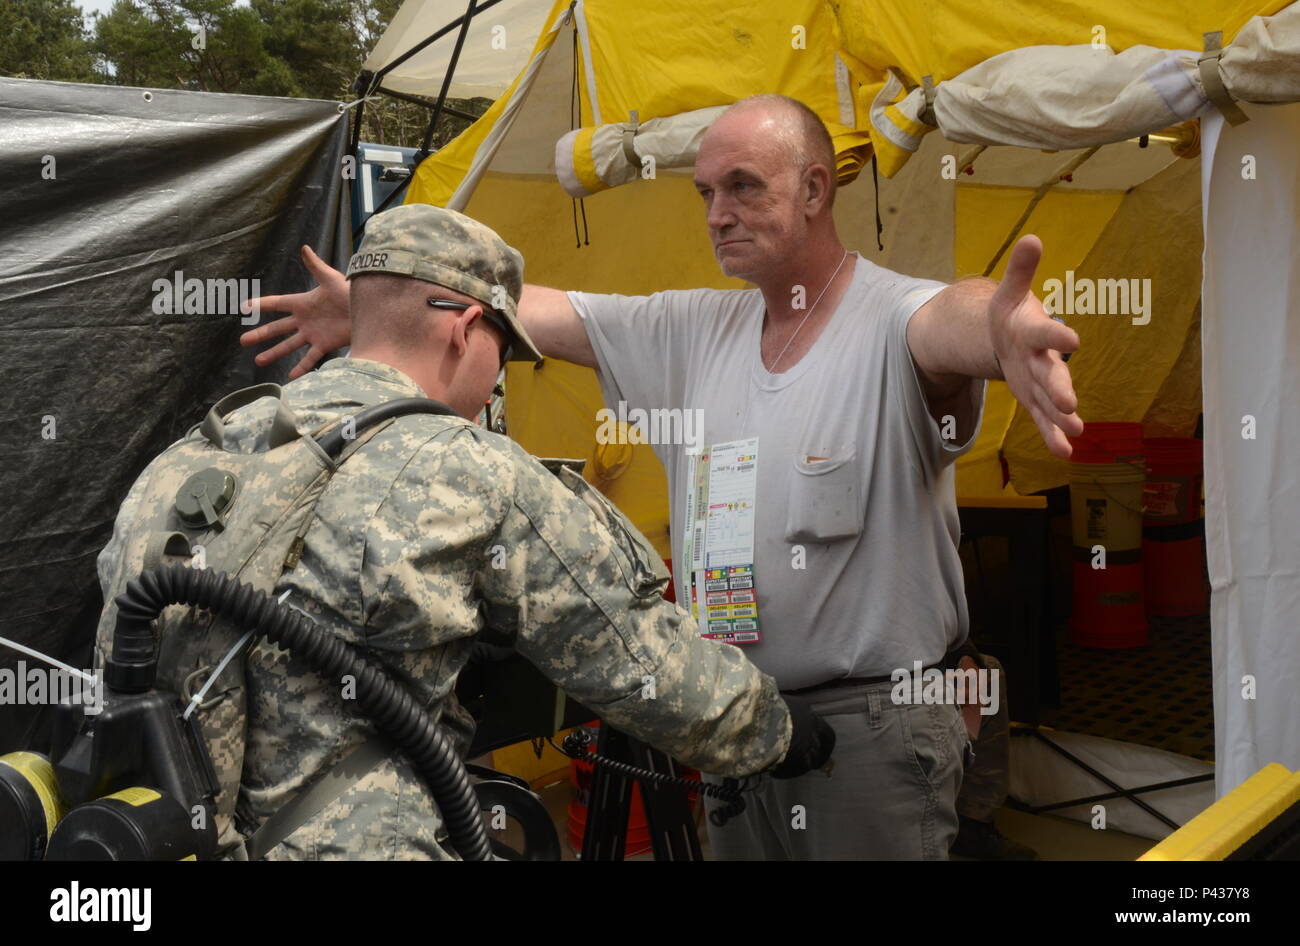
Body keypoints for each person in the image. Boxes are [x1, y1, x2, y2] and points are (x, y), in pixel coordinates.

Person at [243, 95, 1080, 859]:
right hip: (737, 726)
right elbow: (533, 305)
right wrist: (373, 306)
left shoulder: (893, 318)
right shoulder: (693, 329)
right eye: (706, 192)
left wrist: (1000, 330)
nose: (718, 214)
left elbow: (953, 320)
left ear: (817, 189)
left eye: (744, 187)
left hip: (868, 733)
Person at [95, 203, 833, 861]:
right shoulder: (471, 469)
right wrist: (780, 730)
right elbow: (641, 663)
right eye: (504, 354)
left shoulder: (202, 450)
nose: (496, 380)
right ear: (467, 328)